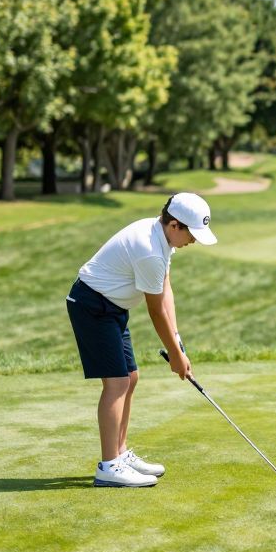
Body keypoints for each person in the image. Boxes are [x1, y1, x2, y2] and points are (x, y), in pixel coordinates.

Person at [66, 193, 217, 487]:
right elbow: (155, 310)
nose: (194, 241)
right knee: (117, 382)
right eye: (192, 234)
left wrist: (177, 341)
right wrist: (175, 355)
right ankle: (109, 466)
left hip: (111, 307)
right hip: (92, 306)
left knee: (130, 378)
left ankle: (120, 454)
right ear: (175, 225)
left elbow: (165, 288)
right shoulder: (149, 249)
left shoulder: (162, 238)